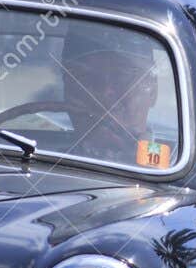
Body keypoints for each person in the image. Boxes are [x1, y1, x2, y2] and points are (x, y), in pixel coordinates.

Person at [59, 25, 165, 166]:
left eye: (122, 75)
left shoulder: (175, 170)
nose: (105, 92)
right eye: (86, 77)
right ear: (68, 90)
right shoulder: (40, 160)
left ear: (152, 90)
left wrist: (145, 162)